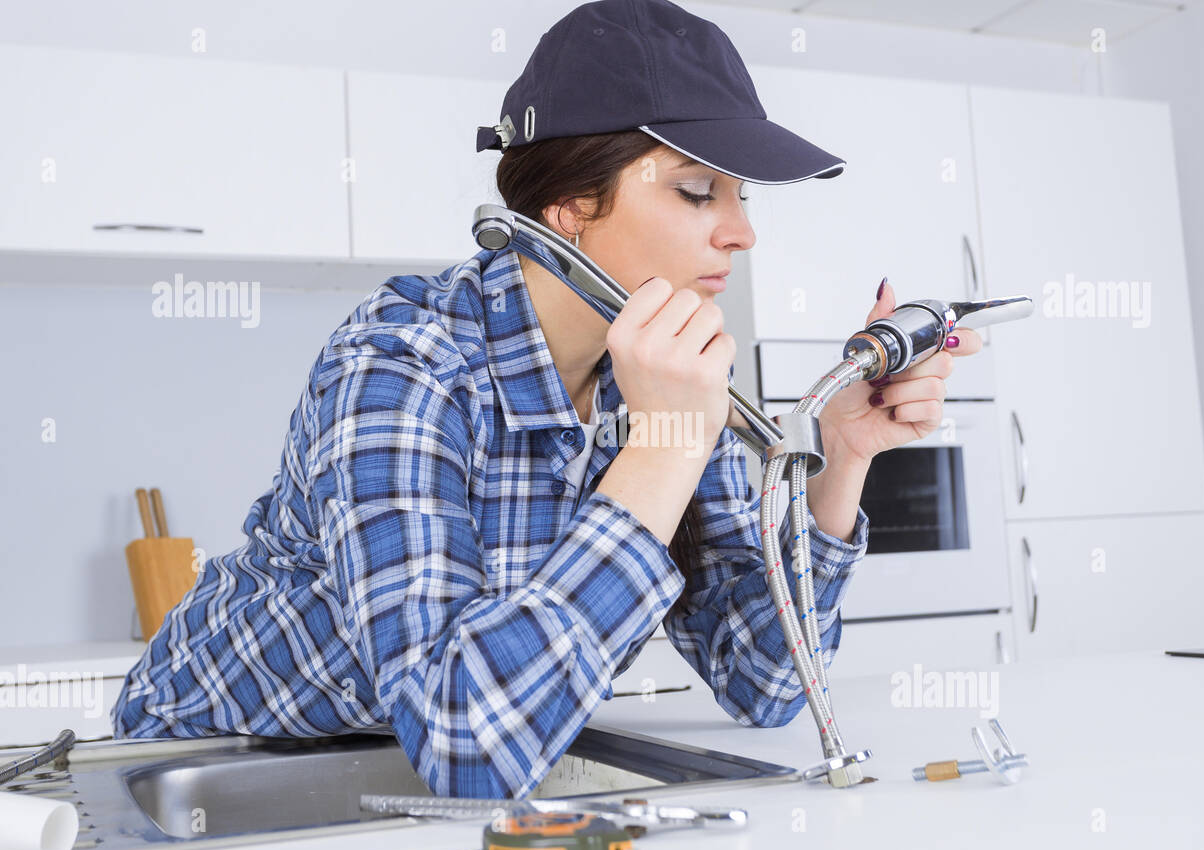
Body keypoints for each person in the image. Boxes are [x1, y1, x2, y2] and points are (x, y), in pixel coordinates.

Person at [111, 0, 981, 798]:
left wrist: (840, 456)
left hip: (401, 765)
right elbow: (465, 743)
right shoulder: (400, 363)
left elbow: (769, 685)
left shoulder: (667, 372)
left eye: (740, 195)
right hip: (211, 760)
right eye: (694, 188)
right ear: (571, 202)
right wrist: (666, 448)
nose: (742, 231)